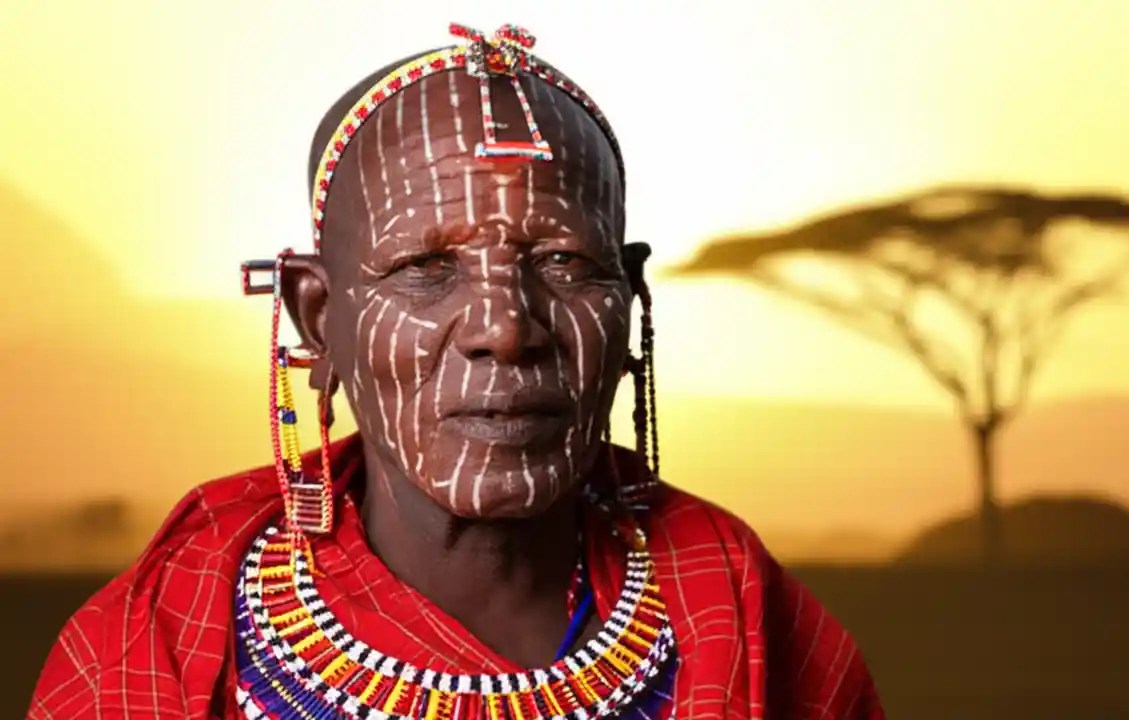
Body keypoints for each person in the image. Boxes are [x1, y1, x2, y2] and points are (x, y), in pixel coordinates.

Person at [29, 23, 883, 719]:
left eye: (562, 261)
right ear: (319, 319)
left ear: (628, 302)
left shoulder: (735, 609)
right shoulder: (163, 638)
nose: (507, 330)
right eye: (425, 271)